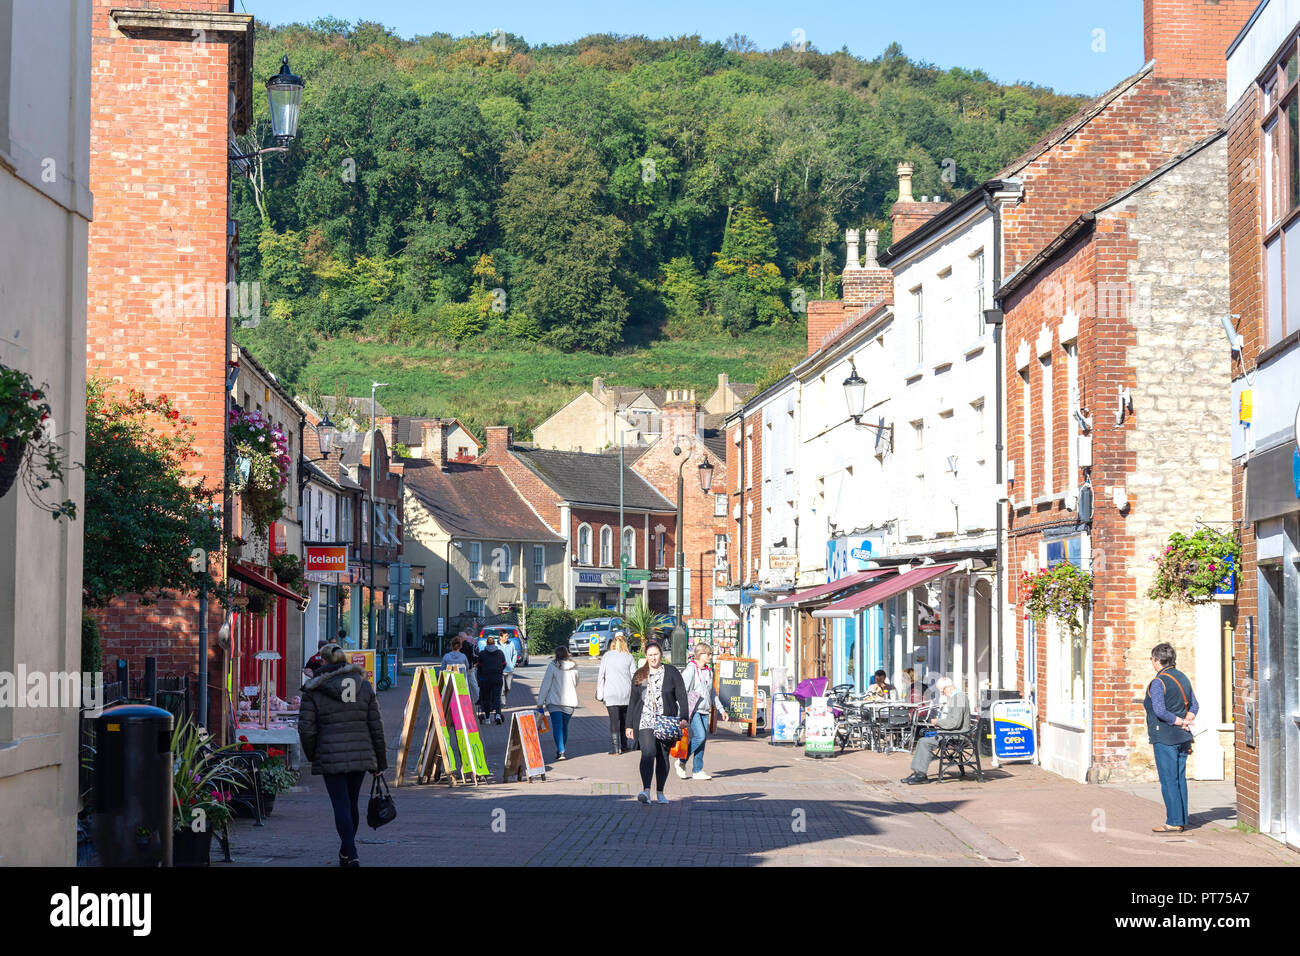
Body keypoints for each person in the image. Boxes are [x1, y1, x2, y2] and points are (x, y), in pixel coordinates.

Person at [298, 643, 389, 866]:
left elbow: (306, 729)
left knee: (340, 805)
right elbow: (376, 726)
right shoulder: (364, 686)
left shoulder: (314, 689)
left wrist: (313, 755)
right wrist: (380, 761)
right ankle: (346, 852)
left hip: (330, 754)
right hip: (361, 753)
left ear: (324, 662)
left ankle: (351, 852)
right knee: (352, 803)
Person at [626, 641, 688, 805]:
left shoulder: (672, 672)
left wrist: (684, 717)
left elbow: (682, 695)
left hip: (665, 721)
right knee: (648, 752)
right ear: (646, 657)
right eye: (650, 655)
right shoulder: (640, 675)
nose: (653, 658)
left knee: (663, 756)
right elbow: (632, 701)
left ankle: (660, 792)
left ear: (661, 654)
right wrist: (629, 724)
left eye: (656, 654)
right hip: (645, 720)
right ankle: (646, 791)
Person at [1146, 642, 1199, 833]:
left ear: (1157, 660)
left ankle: (1173, 821)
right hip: (1183, 737)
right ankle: (1181, 817)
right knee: (1179, 778)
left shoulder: (1159, 682)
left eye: (1152, 659)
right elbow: (1194, 705)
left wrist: (1178, 721)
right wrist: (1187, 720)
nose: (1152, 663)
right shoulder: (1182, 677)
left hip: (1165, 736)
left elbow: (1160, 711)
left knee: (1169, 780)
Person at [900, 677, 969, 785]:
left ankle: (921, 774)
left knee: (924, 742)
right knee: (923, 740)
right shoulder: (956, 697)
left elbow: (955, 723)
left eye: (942, 691)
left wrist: (938, 722)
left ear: (948, 688)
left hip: (956, 734)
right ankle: (918, 772)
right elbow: (954, 722)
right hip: (952, 732)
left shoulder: (958, 698)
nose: (943, 694)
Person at [679, 642, 725, 780]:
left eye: (710, 654)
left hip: (705, 710)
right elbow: (682, 691)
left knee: (702, 741)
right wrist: (681, 712)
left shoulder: (709, 671)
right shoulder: (691, 670)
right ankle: (682, 761)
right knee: (700, 736)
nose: (710, 656)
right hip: (693, 710)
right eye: (708, 654)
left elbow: (713, 693)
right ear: (700, 654)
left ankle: (697, 770)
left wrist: (721, 709)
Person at [597, 634, 637, 755]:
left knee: (614, 721)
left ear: (612, 644)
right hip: (626, 693)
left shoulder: (606, 656)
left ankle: (615, 748)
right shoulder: (629, 657)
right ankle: (625, 746)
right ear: (625, 644)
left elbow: (601, 675)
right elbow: (634, 676)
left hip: (611, 693)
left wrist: (600, 693)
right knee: (625, 720)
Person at [538, 646, 580, 759]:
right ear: (567, 654)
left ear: (556, 654)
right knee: (564, 727)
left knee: (557, 727)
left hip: (554, 701)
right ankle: (561, 749)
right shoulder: (574, 667)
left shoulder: (552, 666)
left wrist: (540, 702)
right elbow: (576, 682)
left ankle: (561, 751)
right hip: (570, 702)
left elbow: (546, 685)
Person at [477, 634, 507, 724]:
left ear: (487, 643)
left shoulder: (482, 654)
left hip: (486, 679)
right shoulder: (500, 653)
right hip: (497, 678)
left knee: (486, 698)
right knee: (497, 697)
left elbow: (479, 666)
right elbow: (504, 664)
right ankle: (497, 715)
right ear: (494, 643)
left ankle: (487, 718)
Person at [500, 632, 518, 705]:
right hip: (500, 670)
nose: (507, 638)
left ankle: (503, 700)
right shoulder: (497, 645)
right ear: (500, 637)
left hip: (509, 670)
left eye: (507, 636)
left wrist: (512, 664)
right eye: (505, 636)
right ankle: (502, 703)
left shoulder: (511, 643)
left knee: (508, 688)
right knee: (502, 688)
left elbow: (514, 654)